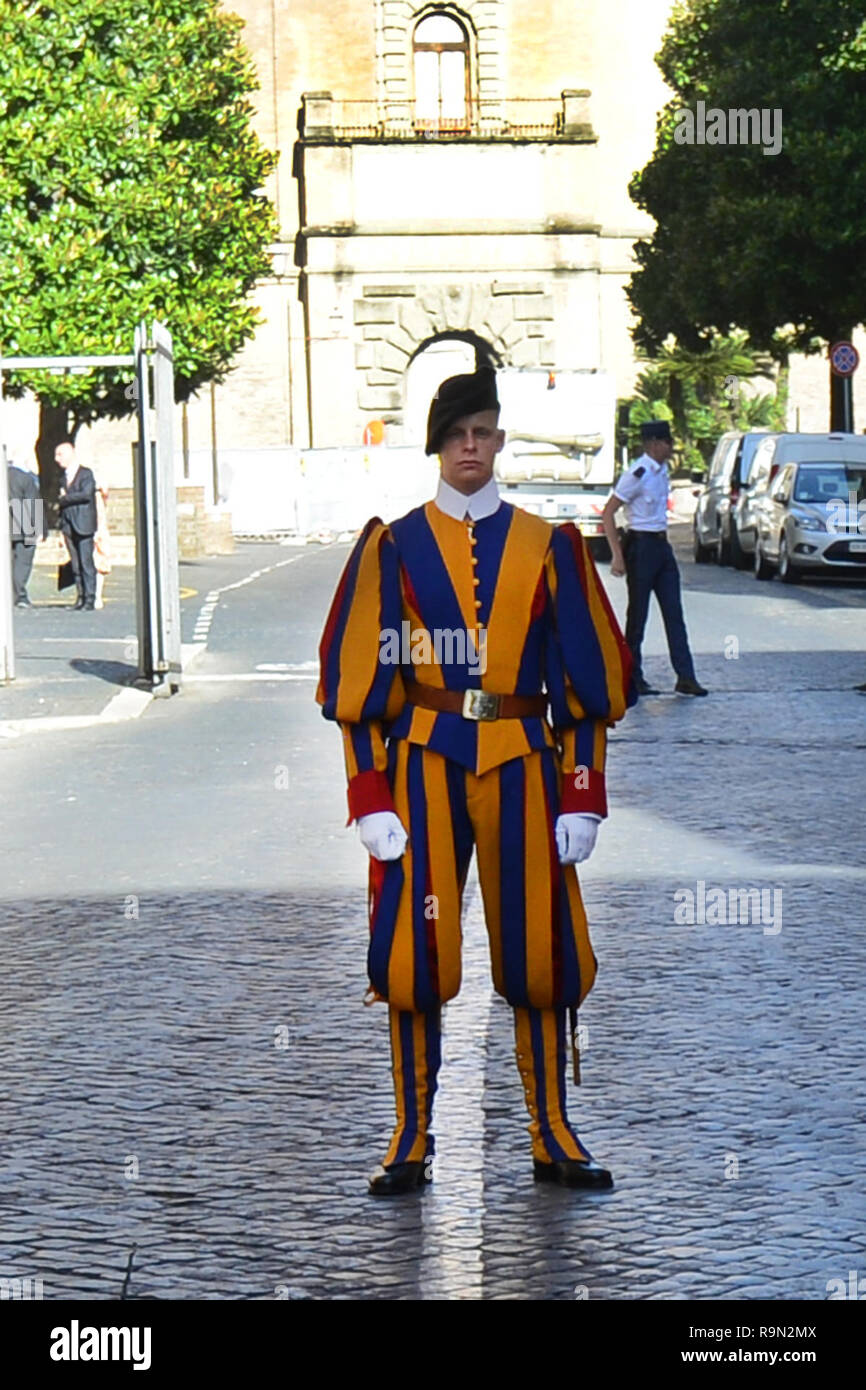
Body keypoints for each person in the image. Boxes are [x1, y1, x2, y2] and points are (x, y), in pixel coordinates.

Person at [316, 367, 635, 1196]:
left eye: (484, 431)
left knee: (540, 954)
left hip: (526, 758)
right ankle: (411, 1135)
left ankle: (552, 1131)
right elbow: (359, 684)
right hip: (422, 760)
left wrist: (583, 791)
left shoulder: (550, 544)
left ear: (499, 440)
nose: (471, 445)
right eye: (458, 433)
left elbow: (588, 682)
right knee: (415, 958)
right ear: (437, 443)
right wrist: (368, 796)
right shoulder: (394, 544)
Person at [601, 419, 707, 697]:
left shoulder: (662, 472)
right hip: (641, 547)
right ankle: (632, 677)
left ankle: (686, 676)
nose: (670, 448)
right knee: (638, 616)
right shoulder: (637, 473)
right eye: (666, 442)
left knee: (674, 613)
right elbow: (608, 512)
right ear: (653, 444)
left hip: (662, 545)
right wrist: (617, 556)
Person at [55, 441, 98, 611]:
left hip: (84, 524)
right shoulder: (62, 478)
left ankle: (90, 598)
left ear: (71, 453)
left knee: (86, 562)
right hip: (68, 525)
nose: (57, 459)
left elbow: (86, 495)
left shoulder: (86, 474)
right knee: (76, 564)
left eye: (60, 454)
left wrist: (65, 498)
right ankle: (80, 597)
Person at [8, 457, 44, 609]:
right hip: (25, 521)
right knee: (23, 561)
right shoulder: (24, 478)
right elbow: (33, 502)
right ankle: (20, 595)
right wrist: (39, 529)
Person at [92, 477, 112, 609]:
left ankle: (96, 595)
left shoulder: (98, 498)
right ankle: (93, 595)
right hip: (95, 531)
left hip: (98, 531)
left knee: (98, 565)